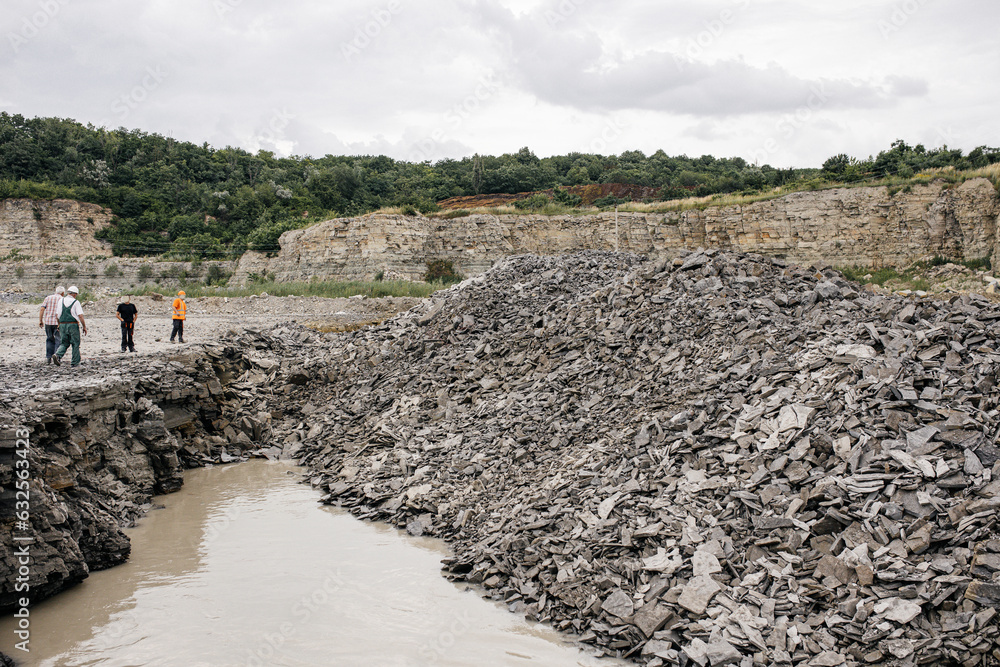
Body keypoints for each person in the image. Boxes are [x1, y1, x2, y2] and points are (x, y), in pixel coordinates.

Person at [51, 286, 87, 367]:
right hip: (72, 324)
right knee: (75, 343)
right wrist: (84, 326)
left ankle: (57, 355)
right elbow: (80, 315)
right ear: (75, 294)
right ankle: (75, 362)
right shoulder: (76, 302)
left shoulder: (61, 301)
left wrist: (59, 325)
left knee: (64, 343)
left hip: (63, 324)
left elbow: (57, 315)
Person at [38, 285, 65, 364]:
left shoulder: (48, 298)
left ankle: (49, 357)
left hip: (48, 322)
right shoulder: (62, 299)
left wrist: (40, 320)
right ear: (63, 293)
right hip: (58, 323)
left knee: (49, 339)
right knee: (58, 339)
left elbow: (42, 309)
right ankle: (57, 356)